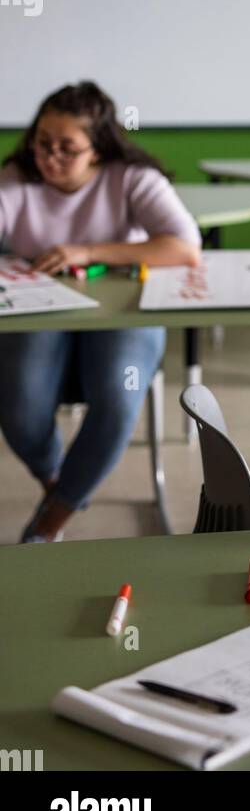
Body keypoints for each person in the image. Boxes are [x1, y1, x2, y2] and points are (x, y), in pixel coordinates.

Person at [0, 81, 201, 542]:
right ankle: (61, 484)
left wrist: (88, 250)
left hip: (123, 313)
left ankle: (50, 523)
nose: (49, 158)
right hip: (42, 311)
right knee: (19, 406)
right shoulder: (18, 177)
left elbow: (185, 248)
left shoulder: (130, 177)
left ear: (97, 149)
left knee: (117, 393)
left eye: (66, 149)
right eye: (42, 143)